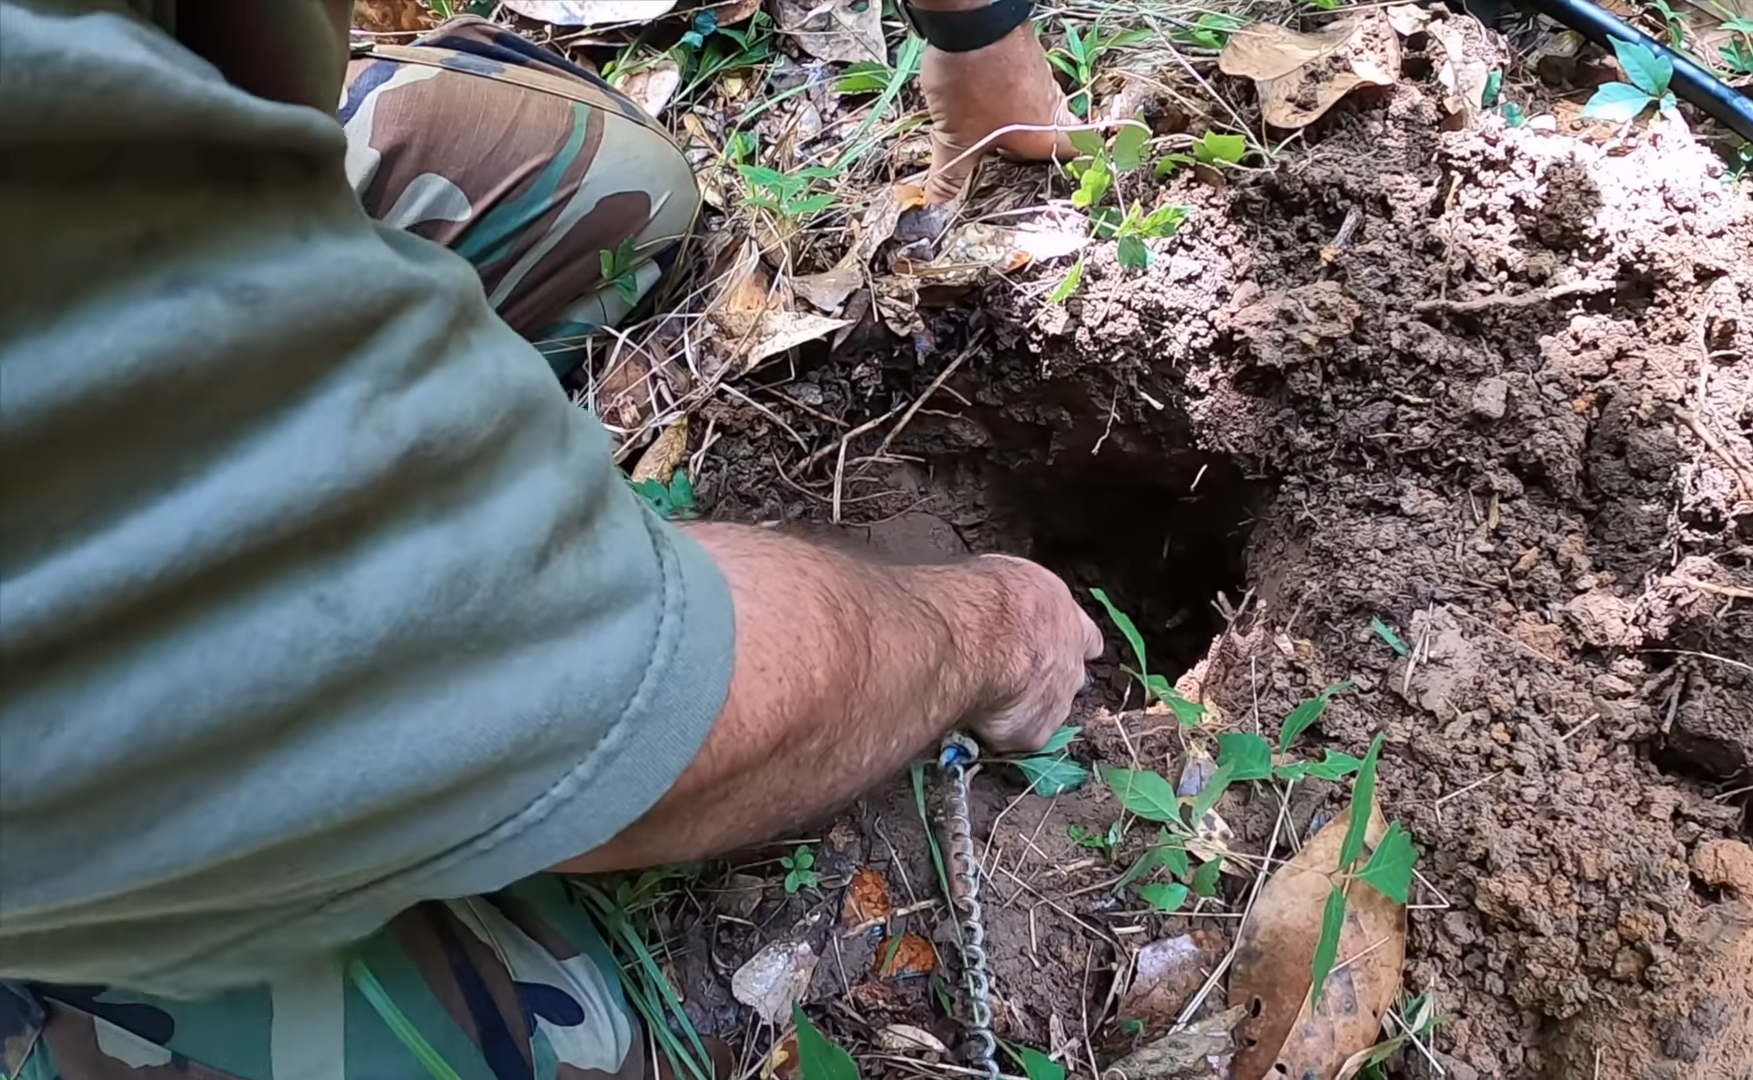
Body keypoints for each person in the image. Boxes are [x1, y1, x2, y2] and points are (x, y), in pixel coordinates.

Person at [0, 2, 1099, 1077]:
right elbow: (644, 712)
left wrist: (976, 33)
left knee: (613, 188)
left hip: (101, 235)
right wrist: (992, 629)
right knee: (568, 1044)